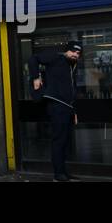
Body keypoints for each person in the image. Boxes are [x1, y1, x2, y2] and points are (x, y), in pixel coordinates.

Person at [30, 40, 83, 181]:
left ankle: (64, 173)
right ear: (67, 50)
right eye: (73, 51)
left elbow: (72, 90)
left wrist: (75, 111)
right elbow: (33, 59)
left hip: (68, 108)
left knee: (65, 142)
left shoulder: (73, 66)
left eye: (78, 53)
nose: (75, 54)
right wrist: (35, 77)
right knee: (58, 141)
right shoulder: (56, 57)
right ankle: (58, 174)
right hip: (57, 105)